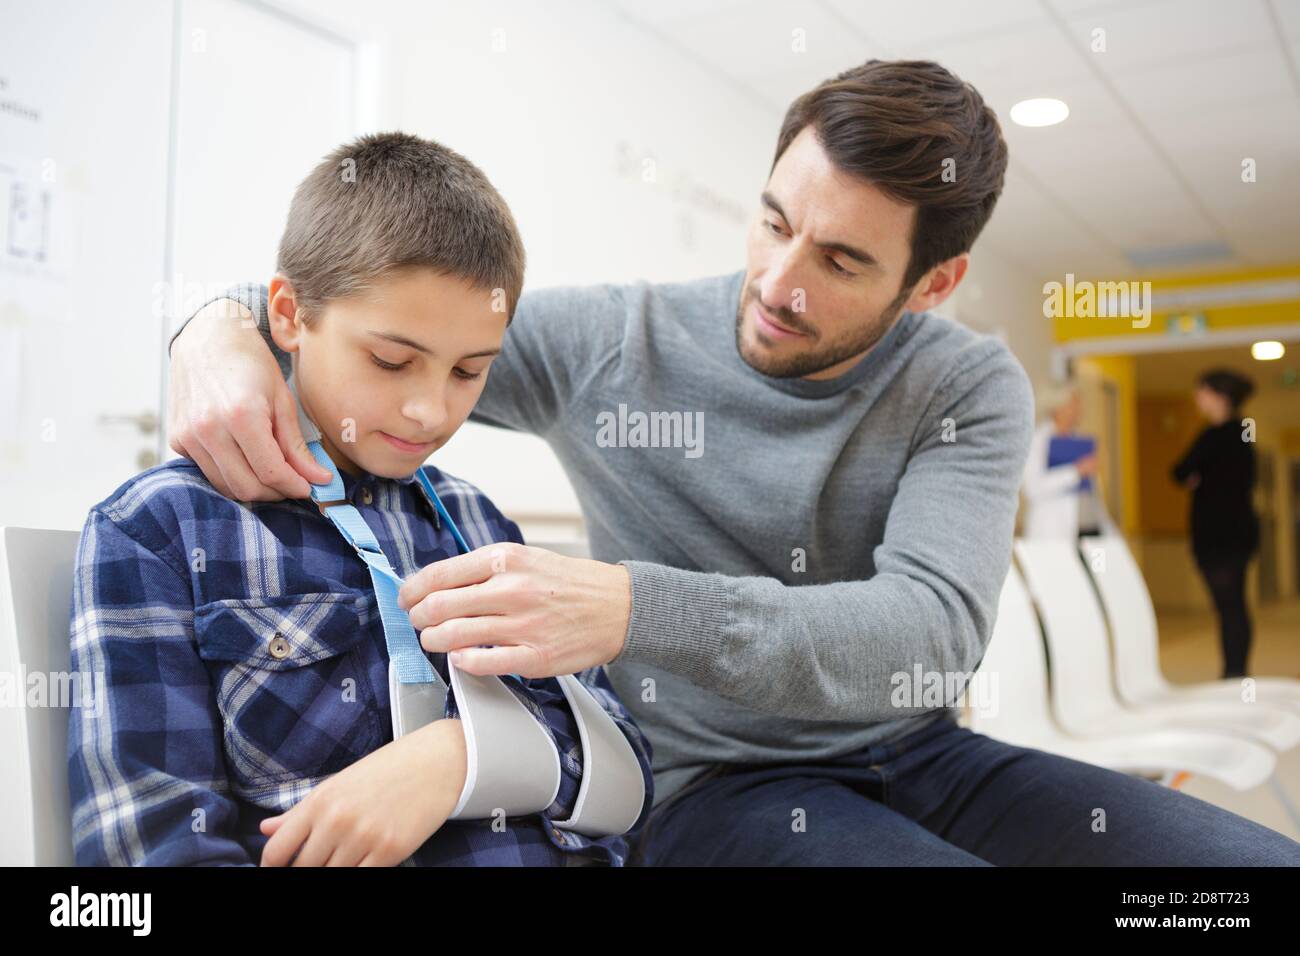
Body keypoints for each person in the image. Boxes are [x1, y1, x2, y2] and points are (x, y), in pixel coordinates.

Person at [167, 61, 1300, 864]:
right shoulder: (610, 341)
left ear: (931, 285)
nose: (776, 280)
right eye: (772, 221)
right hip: (704, 790)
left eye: (841, 258)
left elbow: (925, 631)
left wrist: (631, 607)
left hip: (922, 750)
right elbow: (366, 326)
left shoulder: (963, 383)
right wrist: (211, 331)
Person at [67, 132, 653, 866]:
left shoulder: (479, 523)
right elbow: (144, 849)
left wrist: (459, 756)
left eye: (470, 372)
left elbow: (625, 767)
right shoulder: (160, 530)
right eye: (391, 361)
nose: (430, 412)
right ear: (286, 315)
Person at [1171, 369, 1261, 680]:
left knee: (1229, 608)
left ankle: (1234, 673)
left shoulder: (1214, 435)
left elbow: (1182, 472)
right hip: (1237, 533)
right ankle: (1236, 671)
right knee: (1234, 605)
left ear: (1218, 396)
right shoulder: (1243, 431)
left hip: (1218, 536)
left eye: (1201, 392)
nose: (1196, 399)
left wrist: (1202, 479)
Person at [1021, 383, 1105, 539]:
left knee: (1099, 561)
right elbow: (1033, 489)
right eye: (1074, 403)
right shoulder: (1037, 440)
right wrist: (1077, 471)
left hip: (1085, 527)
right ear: (1057, 407)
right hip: (1049, 531)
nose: (1079, 409)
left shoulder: (1079, 441)